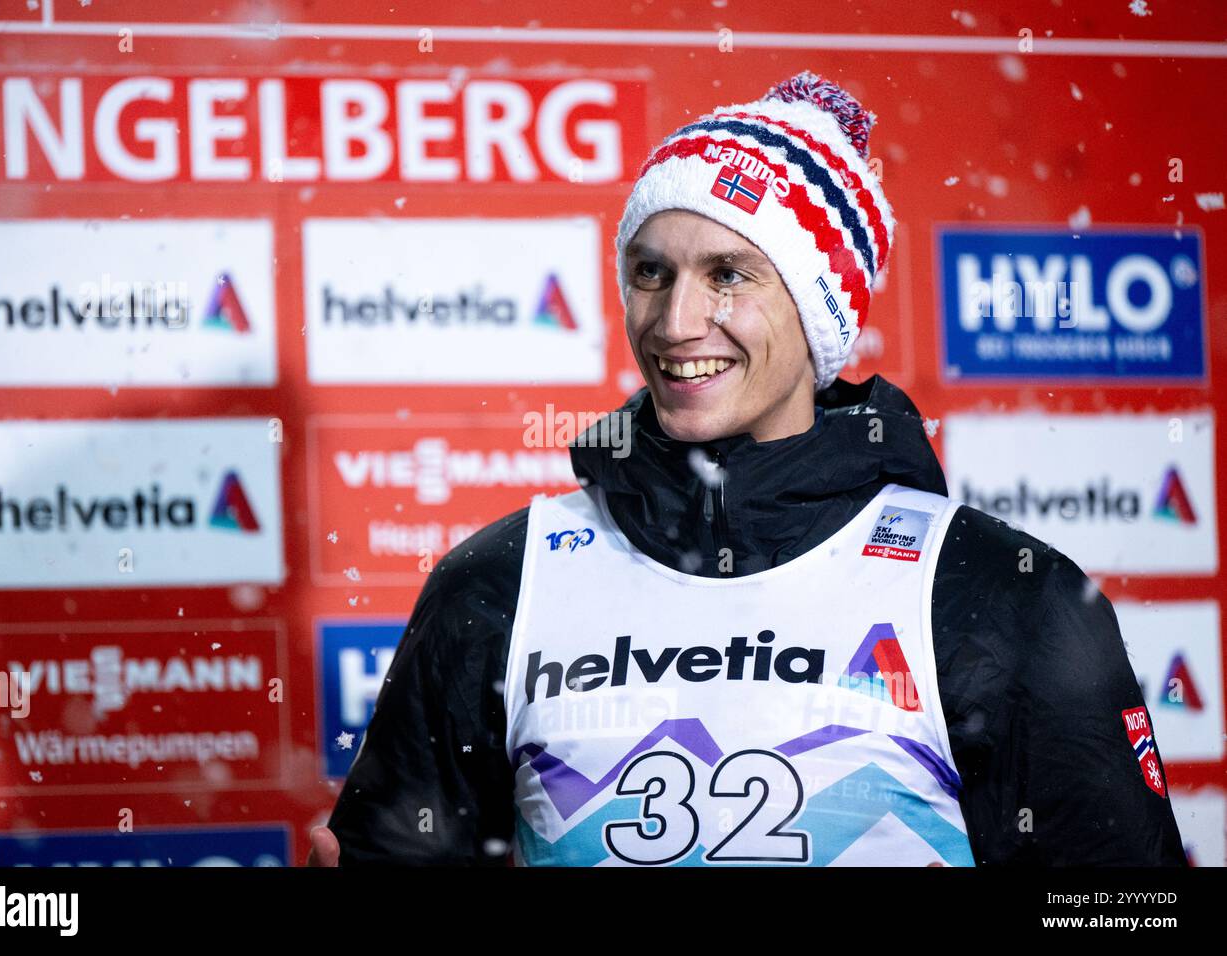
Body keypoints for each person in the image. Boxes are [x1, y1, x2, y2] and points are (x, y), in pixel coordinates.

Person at [309, 71, 1186, 867]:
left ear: (819, 312)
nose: (678, 320)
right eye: (651, 273)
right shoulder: (500, 580)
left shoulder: (997, 592)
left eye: (728, 275)